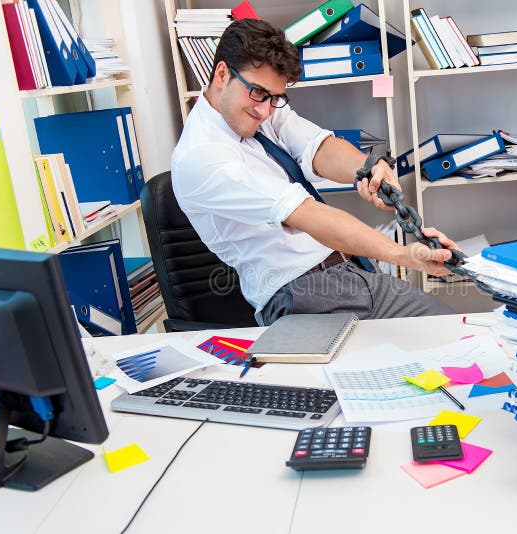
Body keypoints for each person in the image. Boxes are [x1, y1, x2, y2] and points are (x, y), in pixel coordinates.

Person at [171, 19, 458, 326]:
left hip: (348, 274)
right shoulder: (202, 156)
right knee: (396, 365)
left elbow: (318, 148)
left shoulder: (259, 111)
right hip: (300, 294)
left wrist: (367, 169)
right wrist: (402, 255)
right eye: (257, 93)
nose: (265, 110)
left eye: (274, 99)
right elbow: (307, 213)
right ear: (222, 73)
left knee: (450, 330)